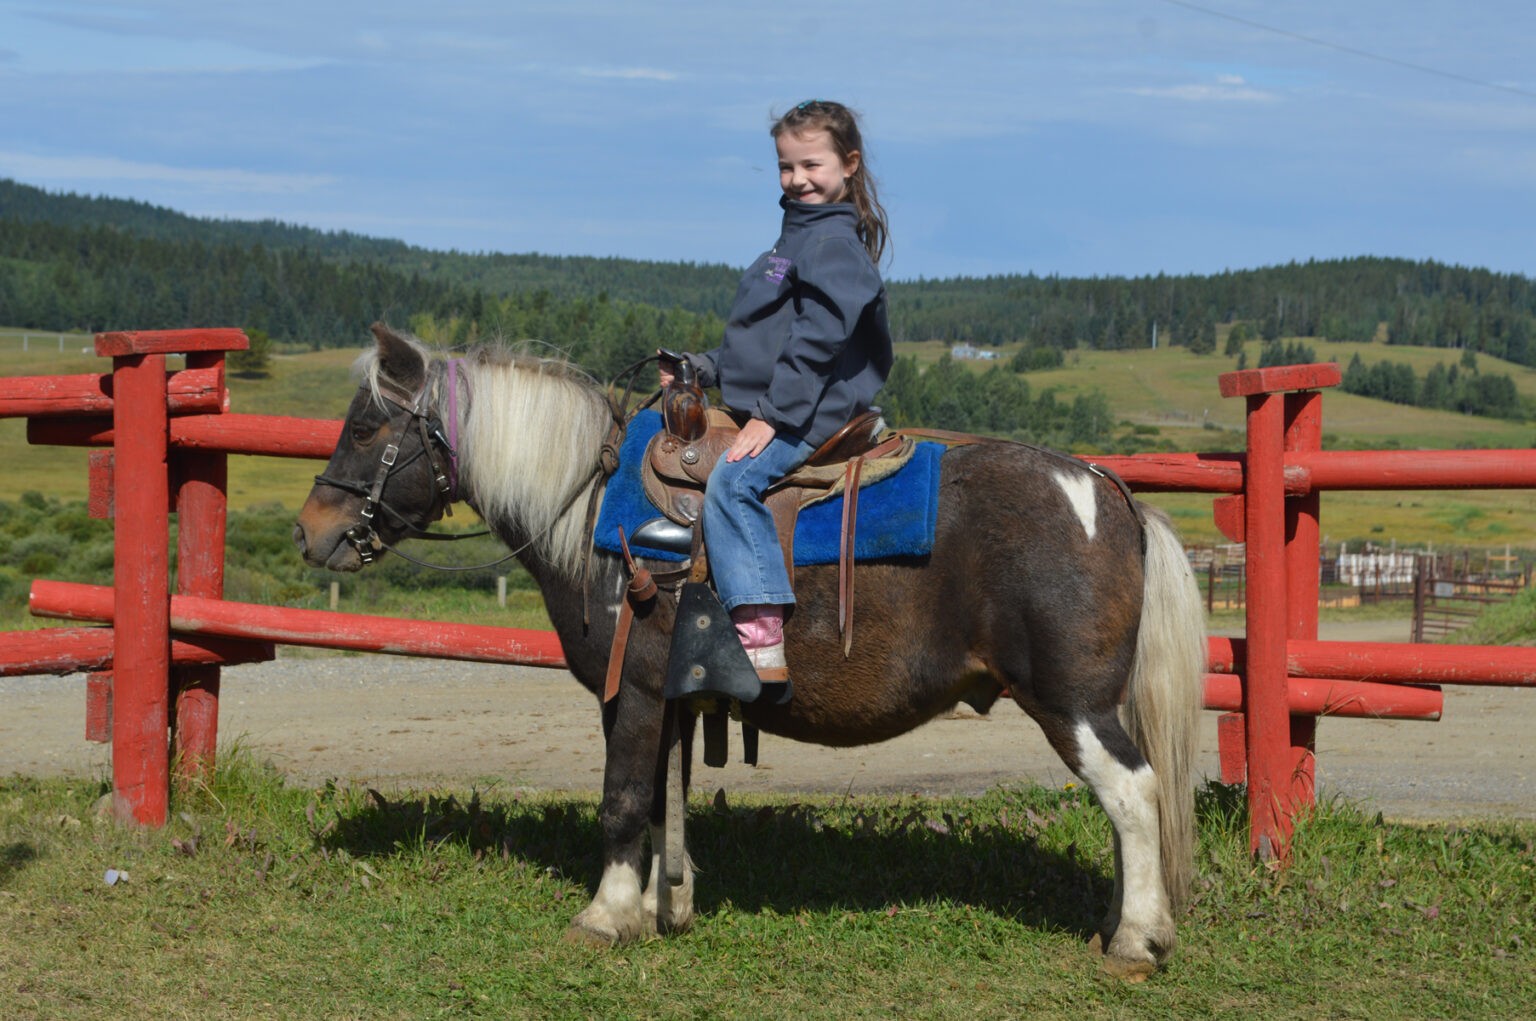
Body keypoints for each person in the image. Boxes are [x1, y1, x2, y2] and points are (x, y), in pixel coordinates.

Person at [660, 99, 893, 681]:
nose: (798, 179)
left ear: (850, 164)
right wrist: (700, 369)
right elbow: (760, 346)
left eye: (812, 165)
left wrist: (771, 415)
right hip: (782, 402)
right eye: (787, 167)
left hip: (809, 412)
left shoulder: (832, 246)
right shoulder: (789, 243)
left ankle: (760, 632)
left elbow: (817, 342)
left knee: (733, 482)